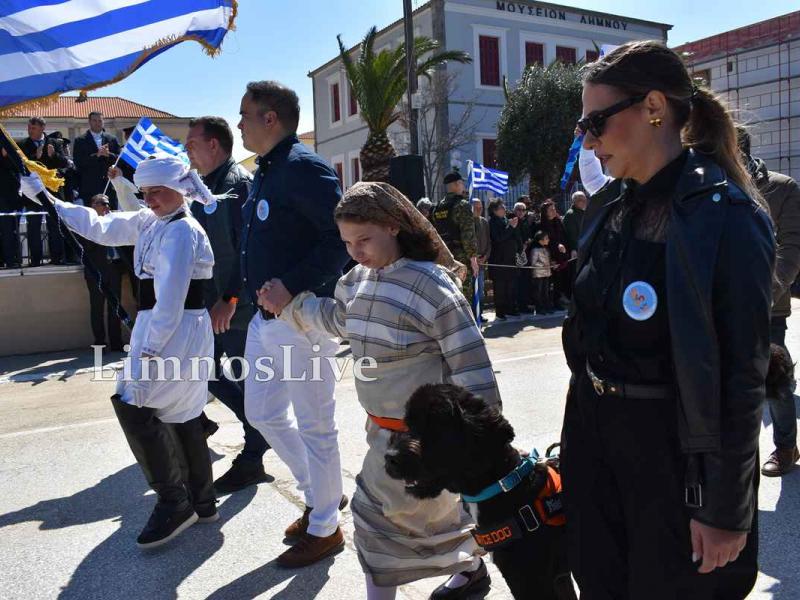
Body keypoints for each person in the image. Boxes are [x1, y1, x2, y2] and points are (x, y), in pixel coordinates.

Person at [562, 40, 774, 599]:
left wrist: (727, 509)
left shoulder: (725, 217)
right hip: (596, 441)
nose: (587, 138)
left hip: (673, 460)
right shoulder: (607, 208)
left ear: (653, 106)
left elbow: (742, 373)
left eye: (595, 121)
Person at [279, 181, 500, 600]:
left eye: (364, 239)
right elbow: (340, 319)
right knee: (395, 521)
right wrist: (291, 306)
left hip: (428, 441)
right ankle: (470, 571)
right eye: (347, 242)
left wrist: (484, 437)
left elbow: (470, 359)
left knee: (416, 519)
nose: (356, 251)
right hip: (380, 436)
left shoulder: (431, 284)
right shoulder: (354, 282)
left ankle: (468, 570)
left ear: (394, 226)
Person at [20, 155, 218, 549]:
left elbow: (170, 301)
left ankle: (174, 502)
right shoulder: (151, 220)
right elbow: (100, 227)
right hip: (168, 326)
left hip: (174, 329)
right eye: (145, 193)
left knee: (136, 402)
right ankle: (201, 501)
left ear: (179, 190)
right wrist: (48, 199)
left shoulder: (181, 231)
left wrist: (148, 347)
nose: (149, 200)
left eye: (157, 192)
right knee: (181, 412)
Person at [238, 80, 351, 567]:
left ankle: (325, 527)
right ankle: (321, 494)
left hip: (303, 319)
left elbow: (342, 238)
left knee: (315, 425)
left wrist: (293, 284)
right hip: (266, 320)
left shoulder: (304, 168)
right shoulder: (267, 171)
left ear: (270, 118)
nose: (239, 122)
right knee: (262, 412)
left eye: (245, 114)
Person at [184, 115, 272, 492]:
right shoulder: (207, 188)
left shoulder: (237, 187)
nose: (187, 151)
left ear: (214, 145)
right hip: (212, 304)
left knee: (242, 380)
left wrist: (230, 298)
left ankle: (254, 451)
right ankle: (255, 430)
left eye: (192, 144)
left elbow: (248, 251)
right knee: (205, 370)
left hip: (235, 308)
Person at [735, 128, 800, 476]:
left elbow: (790, 251)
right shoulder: (712, 190)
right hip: (723, 307)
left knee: (774, 381)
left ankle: (786, 447)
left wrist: (763, 293)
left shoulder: (783, 188)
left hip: (767, 307)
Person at [19, 117, 69, 265]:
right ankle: (35, 259)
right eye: (29, 128)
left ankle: (57, 258)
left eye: (33, 128)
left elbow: (64, 163)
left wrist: (53, 155)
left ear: (42, 128)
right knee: (33, 225)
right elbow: (20, 166)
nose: (29, 130)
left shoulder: (55, 143)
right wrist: (36, 156)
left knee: (55, 224)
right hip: (33, 192)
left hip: (52, 191)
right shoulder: (22, 145)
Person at [81, 194, 124, 352]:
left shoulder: (113, 221)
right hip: (96, 271)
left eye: (108, 204)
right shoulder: (88, 224)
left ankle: (117, 342)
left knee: (115, 308)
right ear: (93, 205)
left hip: (114, 269)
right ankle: (99, 343)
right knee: (97, 308)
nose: (107, 207)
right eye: (102, 204)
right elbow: (86, 247)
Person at [431, 171, 479, 306]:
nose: (463, 185)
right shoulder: (462, 205)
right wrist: (473, 258)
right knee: (464, 296)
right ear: (457, 184)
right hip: (461, 257)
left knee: (448, 295)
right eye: (462, 183)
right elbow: (468, 234)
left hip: (444, 257)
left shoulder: (437, 208)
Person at [72, 111, 121, 208]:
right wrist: (97, 155)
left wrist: (108, 154)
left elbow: (120, 160)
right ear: (89, 122)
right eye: (94, 120)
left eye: (100, 120)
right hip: (89, 187)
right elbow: (78, 162)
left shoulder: (112, 139)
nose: (97, 123)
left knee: (111, 216)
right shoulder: (80, 140)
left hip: (109, 185)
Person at [487, 199, 519, 320]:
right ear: (495, 211)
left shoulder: (506, 220)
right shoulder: (493, 222)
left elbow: (513, 236)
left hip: (510, 258)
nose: (504, 209)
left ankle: (510, 308)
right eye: (501, 208)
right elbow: (498, 238)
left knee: (510, 285)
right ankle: (500, 311)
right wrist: (510, 227)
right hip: (499, 260)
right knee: (500, 287)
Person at [540, 200, 570, 307]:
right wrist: (557, 246)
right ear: (545, 212)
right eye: (551, 210)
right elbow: (545, 242)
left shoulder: (558, 222)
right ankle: (553, 302)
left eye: (554, 209)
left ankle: (560, 299)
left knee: (561, 280)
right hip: (550, 256)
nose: (553, 211)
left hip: (562, 255)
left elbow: (564, 236)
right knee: (551, 281)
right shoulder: (542, 225)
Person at [0, 147, 21, 268]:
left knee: (12, 230)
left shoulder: (11, 148)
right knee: (6, 230)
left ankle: (13, 258)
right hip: (3, 196)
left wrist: (7, 156)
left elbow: (18, 167)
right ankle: (9, 260)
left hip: (13, 197)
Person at [513, 201, 534, 312]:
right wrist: (522, 247)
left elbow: (528, 235)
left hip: (526, 255)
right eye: (519, 209)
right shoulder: (512, 221)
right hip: (516, 255)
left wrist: (528, 241)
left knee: (525, 281)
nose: (521, 212)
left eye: (523, 210)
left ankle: (525, 305)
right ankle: (518, 305)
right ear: (514, 211)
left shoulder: (526, 222)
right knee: (518, 282)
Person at [472, 198, 490, 320]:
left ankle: (480, 313)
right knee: (472, 291)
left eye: (480, 207)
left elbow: (489, 242)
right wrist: (474, 257)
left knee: (481, 290)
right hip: (472, 262)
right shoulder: (467, 222)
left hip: (482, 263)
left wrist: (485, 257)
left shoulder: (484, 222)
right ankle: (472, 314)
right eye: (476, 207)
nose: (479, 210)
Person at [530, 230, 553, 315]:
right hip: (538, 274)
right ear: (540, 240)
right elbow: (533, 263)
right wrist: (543, 266)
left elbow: (548, 260)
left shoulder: (546, 249)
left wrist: (551, 264)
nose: (548, 240)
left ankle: (547, 307)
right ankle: (539, 308)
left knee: (546, 291)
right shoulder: (535, 250)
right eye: (546, 238)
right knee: (538, 292)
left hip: (546, 273)